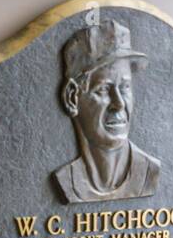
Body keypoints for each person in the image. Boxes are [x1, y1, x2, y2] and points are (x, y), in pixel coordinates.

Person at [52, 20, 160, 204]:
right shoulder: (66, 180)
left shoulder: (149, 172)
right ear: (72, 97)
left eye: (125, 87)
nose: (118, 104)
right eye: (103, 89)